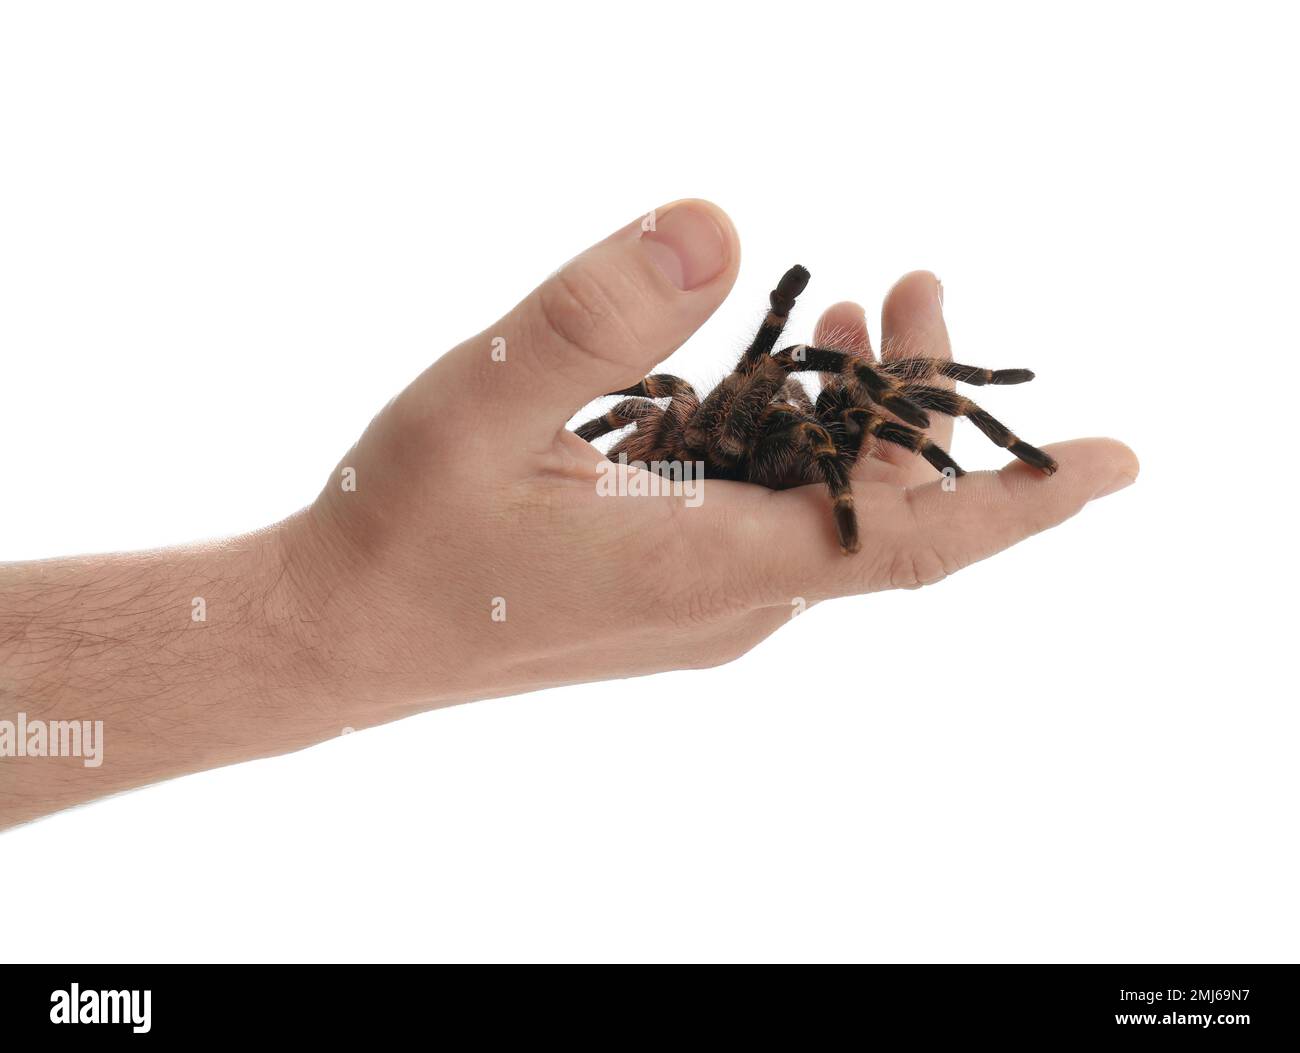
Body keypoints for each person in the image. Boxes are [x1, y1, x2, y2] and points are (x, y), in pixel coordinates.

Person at [0, 200, 1137, 829]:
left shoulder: (808, 410)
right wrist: (334, 615)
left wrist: (985, 424)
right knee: (763, 375)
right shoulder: (697, 414)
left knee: (863, 385)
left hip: (724, 452)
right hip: (691, 449)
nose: (802, 391)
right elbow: (675, 396)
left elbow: (826, 394)